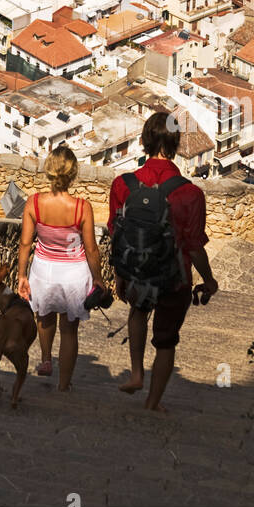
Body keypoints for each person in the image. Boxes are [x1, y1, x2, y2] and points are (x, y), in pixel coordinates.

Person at [108, 110, 218, 413]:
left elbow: (115, 232)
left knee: (138, 313)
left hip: (137, 273)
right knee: (166, 341)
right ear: (176, 143)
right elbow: (195, 247)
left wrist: (121, 274)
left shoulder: (123, 185)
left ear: (144, 141)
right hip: (175, 277)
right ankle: (152, 403)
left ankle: (135, 373)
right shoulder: (191, 193)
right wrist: (209, 280)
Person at [17, 145, 105, 392]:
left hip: (43, 271)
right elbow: (91, 249)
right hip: (74, 274)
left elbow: (25, 243)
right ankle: (64, 384)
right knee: (69, 329)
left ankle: (46, 359)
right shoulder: (81, 207)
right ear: (73, 173)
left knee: (44, 317)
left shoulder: (34, 203)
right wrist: (98, 278)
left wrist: (21, 275)